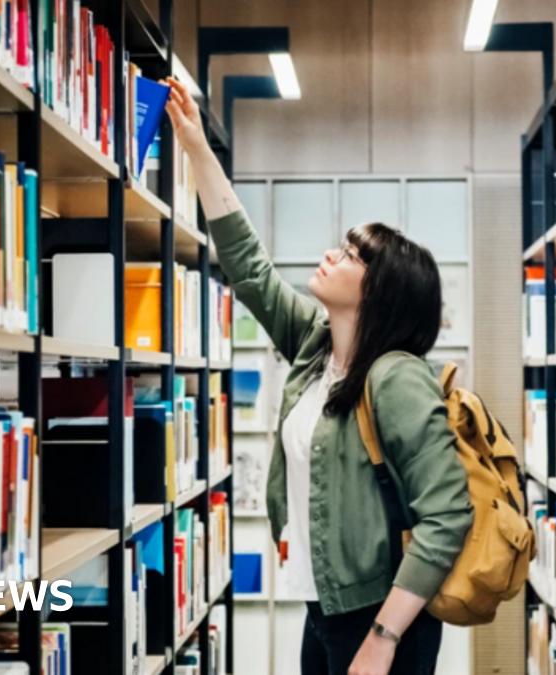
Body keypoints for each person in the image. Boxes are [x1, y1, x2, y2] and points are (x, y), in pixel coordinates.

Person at [163, 78, 473, 675]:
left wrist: (383, 638)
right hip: (324, 606)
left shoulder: (397, 378)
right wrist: (197, 147)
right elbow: (249, 269)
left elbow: (448, 514)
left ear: (381, 294)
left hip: (380, 621)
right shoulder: (316, 346)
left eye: (352, 255)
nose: (333, 254)